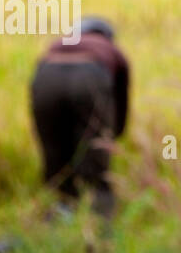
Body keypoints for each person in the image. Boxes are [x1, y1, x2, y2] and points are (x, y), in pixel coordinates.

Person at [29, 16, 130, 218]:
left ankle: (61, 211)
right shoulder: (111, 49)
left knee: (54, 152)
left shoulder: (58, 44)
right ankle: (101, 220)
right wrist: (113, 135)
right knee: (95, 150)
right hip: (90, 76)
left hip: (46, 78)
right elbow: (120, 100)